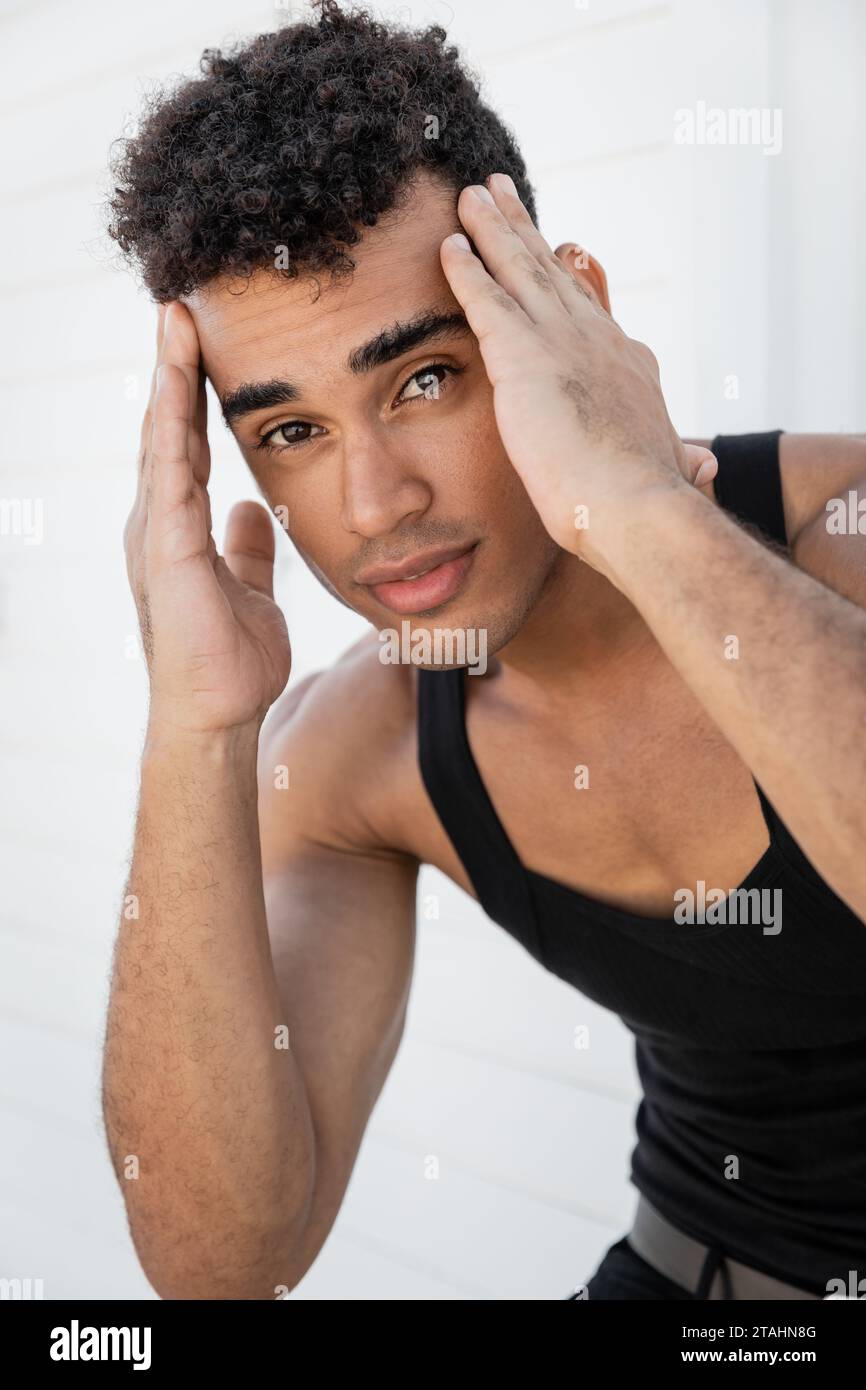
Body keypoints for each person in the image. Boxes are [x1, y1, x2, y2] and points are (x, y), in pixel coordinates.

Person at [101, 0, 866, 1300]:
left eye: (421, 381)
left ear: (567, 317)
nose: (374, 503)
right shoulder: (361, 754)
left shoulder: (837, 523)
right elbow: (220, 1260)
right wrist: (195, 725)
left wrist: (633, 505)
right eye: (291, 432)